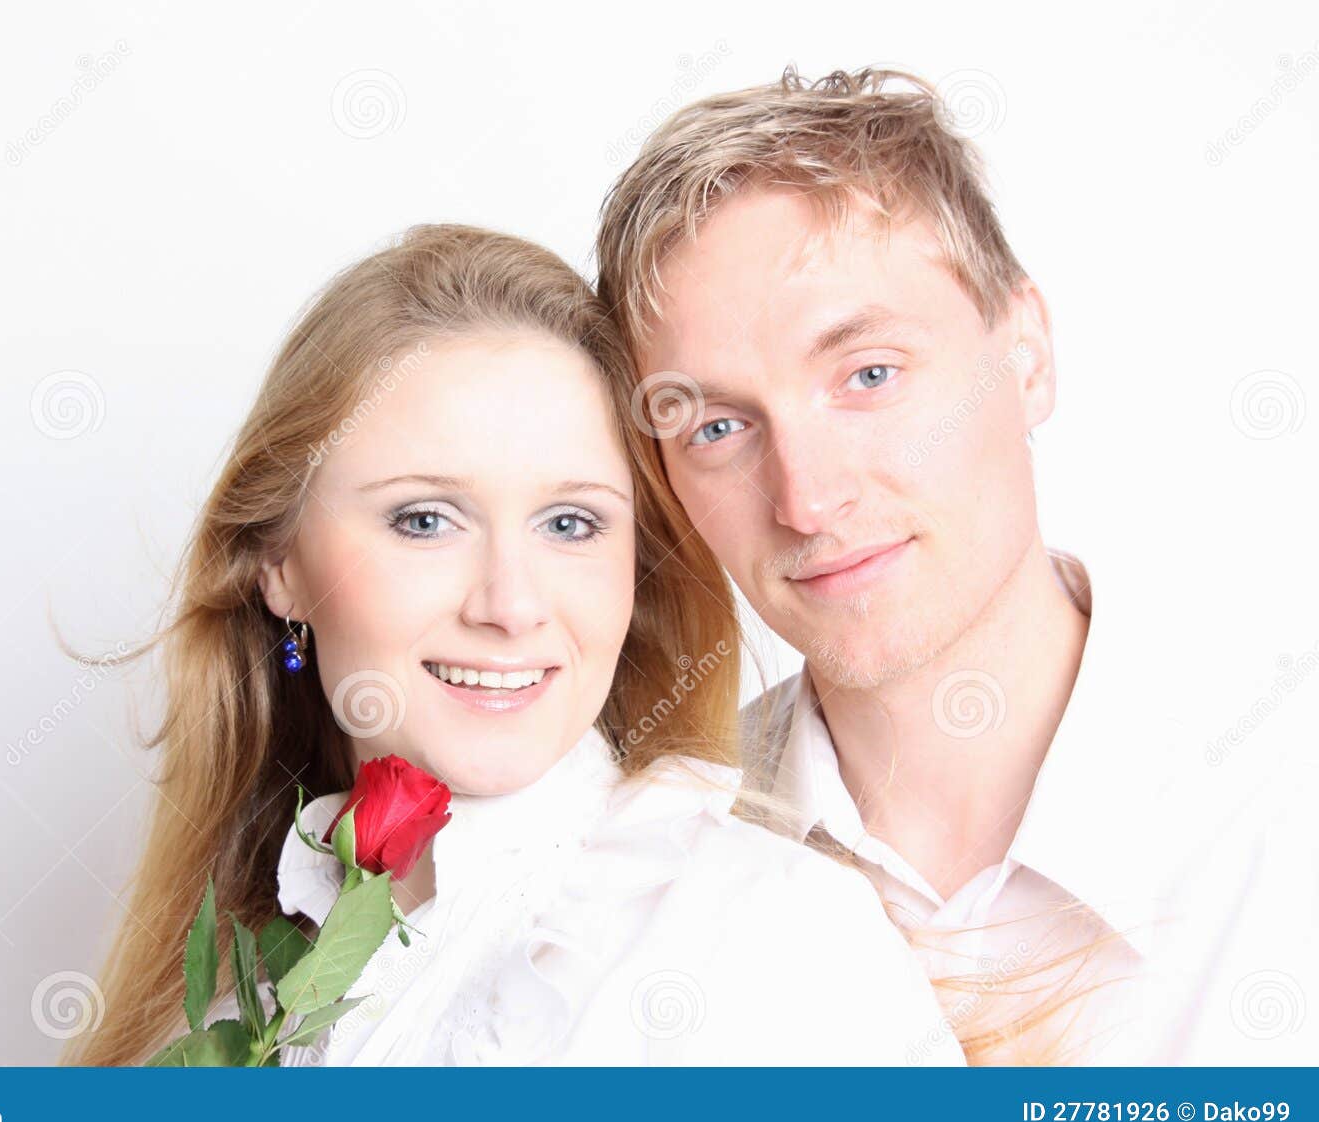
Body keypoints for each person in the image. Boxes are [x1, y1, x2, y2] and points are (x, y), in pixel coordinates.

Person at [64, 223, 962, 1066]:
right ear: (279, 563)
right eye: (424, 519)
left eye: (570, 522)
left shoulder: (782, 940)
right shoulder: (224, 996)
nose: (511, 603)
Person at [594, 65, 1312, 1063]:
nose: (805, 498)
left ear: (1025, 355)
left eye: (869, 374)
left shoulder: (1280, 799)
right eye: (718, 425)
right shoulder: (629, 870)